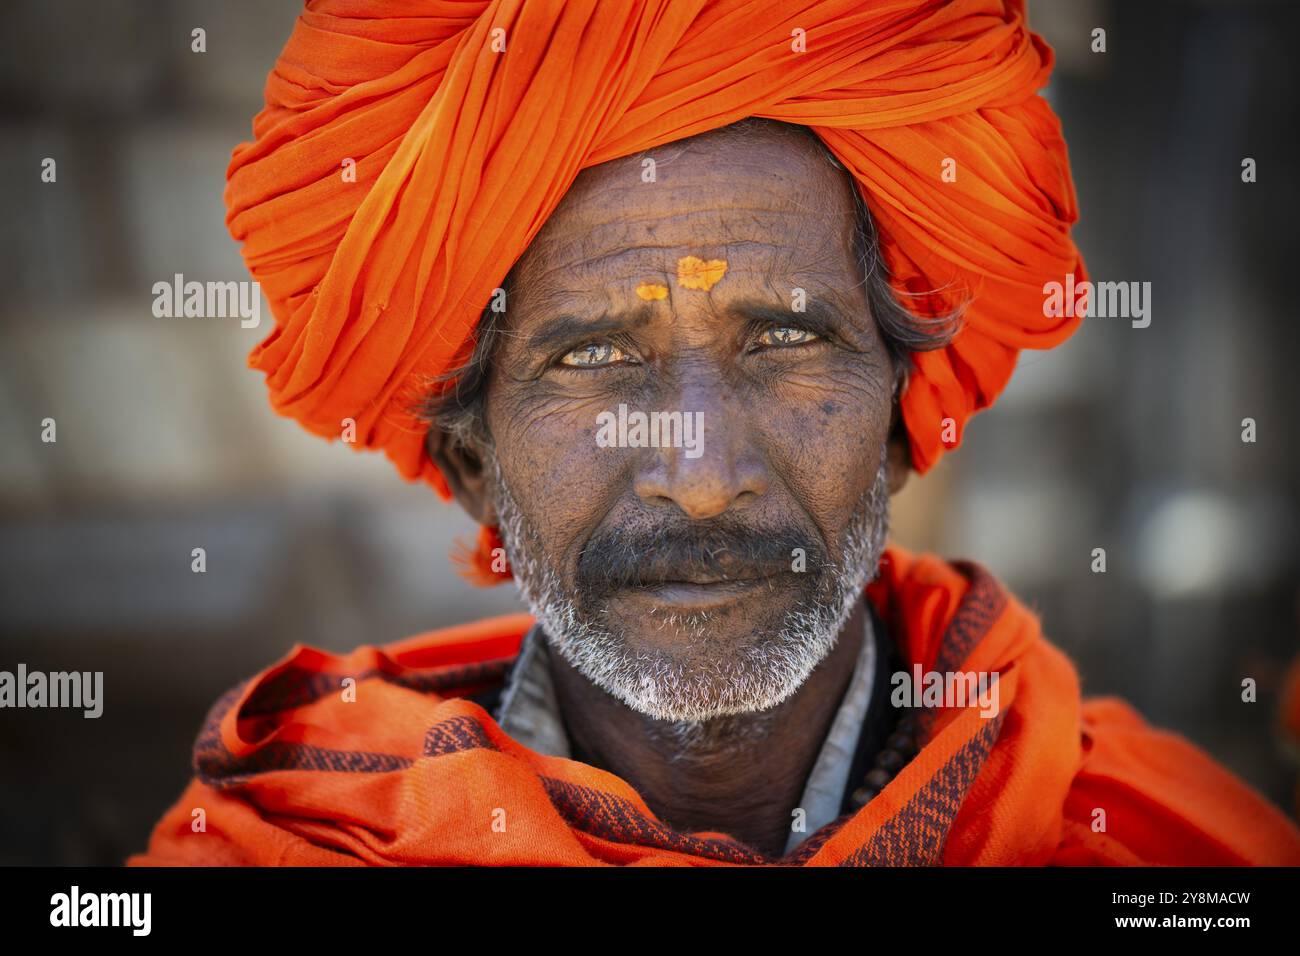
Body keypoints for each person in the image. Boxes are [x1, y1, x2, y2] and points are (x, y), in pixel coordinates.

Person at [130, 0, 1300, 866]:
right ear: (476, 460)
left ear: (900, 416)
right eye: (591, 356)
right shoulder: (283, 849)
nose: (700, 476)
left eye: (785, 341)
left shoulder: (1170, 851)